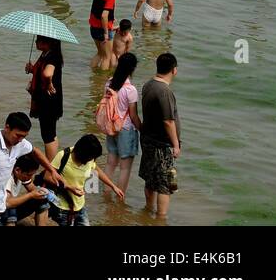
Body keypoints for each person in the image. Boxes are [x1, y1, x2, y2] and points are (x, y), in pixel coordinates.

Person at [0, 112, 62, 227]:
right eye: (18, 135)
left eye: (24, 136)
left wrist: (52, 171)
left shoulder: (20, 144)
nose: (20, 140)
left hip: (1, 206)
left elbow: (35, 151)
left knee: (41, 200)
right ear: (7, 127)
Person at [139, 53, 181, 220]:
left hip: (148, 139)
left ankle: (148, 211)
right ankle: (161, 218)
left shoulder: (148, 84)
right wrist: (176, 144)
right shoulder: (164, 91)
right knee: (164, 184)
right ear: (174, 70)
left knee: (150, 179)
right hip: (161, 144)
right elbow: (168, 122)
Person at [48, 134, 124, 226]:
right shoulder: (64, 156)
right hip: (62, 207)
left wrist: (113, 186)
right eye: (90, 158)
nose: (91, 160)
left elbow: (97, 170)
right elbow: (47, 177)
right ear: (83, 153)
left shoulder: (90, 158)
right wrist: (69, 187)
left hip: (80, 206)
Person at [99, 52, 143, 196]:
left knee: (111, 162)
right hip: (125, 129)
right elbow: (133, 116)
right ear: (133, 69)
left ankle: (106, 192)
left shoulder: (109, 83)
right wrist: (142, 129)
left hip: (111, 127)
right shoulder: (130, 90)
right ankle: (120, 196)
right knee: (125, 168)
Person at [25, 36, 64, 160]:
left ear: (48, 43)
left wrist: (48, 84)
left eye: (38, 40)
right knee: (50, 132)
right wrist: (32, 69)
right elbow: (43, 72)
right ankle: (54, 163)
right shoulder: (45, 54)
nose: (36, 42)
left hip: (49, 101)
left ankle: (51, 167)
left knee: (48, 135)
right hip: (45, 100)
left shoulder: (52, 57)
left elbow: (47, 73)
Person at [90, 0, 130, 70]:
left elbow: (97, 8)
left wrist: (111, 17)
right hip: (102, 29)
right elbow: (104, 16)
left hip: (93, 27)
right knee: (106, 57)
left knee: (99, 53)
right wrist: (106, 33)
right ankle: (102, 81)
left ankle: (92, 74)